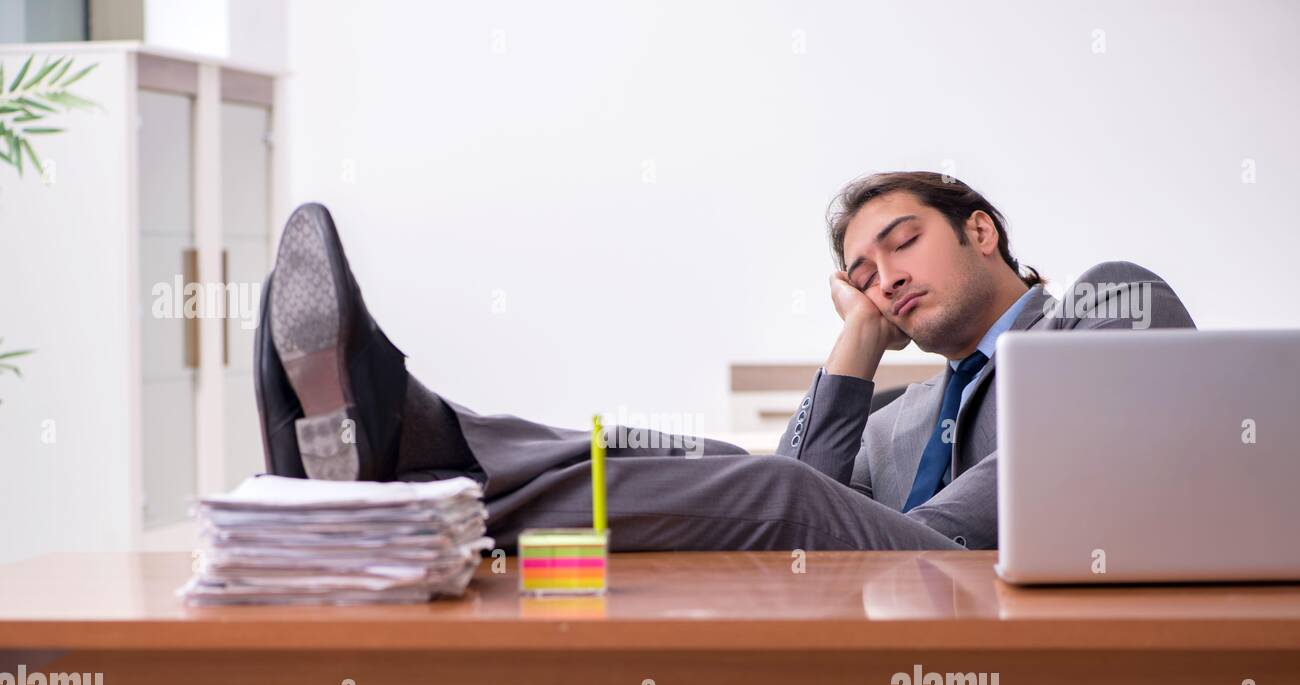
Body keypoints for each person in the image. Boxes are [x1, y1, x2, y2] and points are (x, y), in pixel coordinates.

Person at [253, 170, 1195, 553]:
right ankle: (419, 444)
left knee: (771, 490)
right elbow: (797, 481)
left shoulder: (1106, 303)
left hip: (977, 577)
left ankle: (415, 457)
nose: (884, 281)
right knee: (711, 459)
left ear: (980, 229)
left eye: (902, 244)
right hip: (897, 585)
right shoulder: (906, 416)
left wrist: (865, 522)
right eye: (861, 275)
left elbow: (1056, 472)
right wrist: (858, 343)